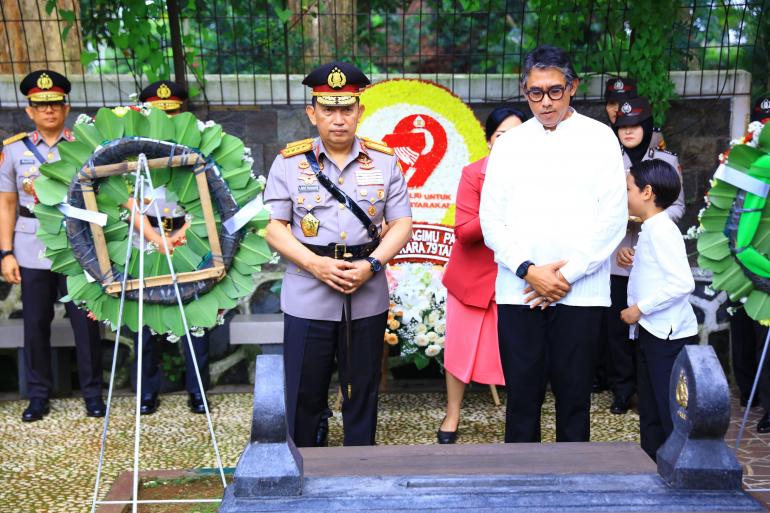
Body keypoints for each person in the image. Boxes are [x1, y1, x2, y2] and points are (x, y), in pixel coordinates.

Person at [479, 45, 627, 443]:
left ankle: (573, 492)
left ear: (573, 87)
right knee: (522, 402)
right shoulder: (510, 144)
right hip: (519, 290)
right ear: (524, 90)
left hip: (579, 292)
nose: (545, 102)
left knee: (575, 400)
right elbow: (491, 219)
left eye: (555, 91)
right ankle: (522, 495)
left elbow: (612, 219)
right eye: (535, 93)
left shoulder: (599, 139)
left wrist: (564, 276)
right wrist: (529, 271)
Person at [263, 61, 413, 447]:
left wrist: (372, 264)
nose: (339, 119)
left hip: (366, 291)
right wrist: (314, 264)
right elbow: (273, 227)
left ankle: (360, 471)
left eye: (347, 109)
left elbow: (401, 224)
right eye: (328, 109)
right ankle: (304, 466)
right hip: (307, 291)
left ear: (360, 111)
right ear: (312, 114)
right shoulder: (289, 162)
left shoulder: (385, 161)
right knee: (303, 392)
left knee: (362, 391)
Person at [0, 70, 105, 421]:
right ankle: (38, 396)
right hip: (31, 244)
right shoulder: (14, 151)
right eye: (41, 105)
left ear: (66, 107)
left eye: (55, 104)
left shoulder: (82, 145)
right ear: (29, 110)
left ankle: (93, 394)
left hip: (75, 244)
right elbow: (7, 204)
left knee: (86, 322)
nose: (49, 110)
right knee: (34, 322)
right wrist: (6, 252)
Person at [437, 106, 527, 444]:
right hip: (472, 277)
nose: (509, 142)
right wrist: (498, 213)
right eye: (502, 135)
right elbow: (464, 231)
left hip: (519, 276)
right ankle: (452, 413)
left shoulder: (538, 177)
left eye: (517, 135)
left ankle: (519, 418)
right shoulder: (474, 174)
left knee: (517, 352)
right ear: (489, 140)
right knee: (459, 350)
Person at [130, 80, 211, 415]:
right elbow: (124, 202)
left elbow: (209, 201)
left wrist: (182, 237)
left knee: (196, 319)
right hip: (145, 245)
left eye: (173, 113)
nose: (167, 119)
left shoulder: (197, 148)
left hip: (188, 244)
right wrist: (154, 237)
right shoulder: (131, 150)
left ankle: (198, 391)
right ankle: (147, 392)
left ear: (182, 114)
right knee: (146, 321)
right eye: (159, 114)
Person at [606, 96, 685, 415]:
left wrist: (648, 221)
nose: (627, 131)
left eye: (634, 124)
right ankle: (622, 390)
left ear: (647, 125)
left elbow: (677, 206)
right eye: (622, 126)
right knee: (616, 329)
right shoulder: (609, 159)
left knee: (648, 326)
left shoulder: (665, 160)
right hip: (617, 254)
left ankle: (647, 392)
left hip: (652, 257)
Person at [619, 158, 698, 460]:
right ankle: (653, 466)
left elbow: (681, 283)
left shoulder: (663, 229)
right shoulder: (651, 228)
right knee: (651, 406)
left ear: (647, 192)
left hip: (667, 336)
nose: (625, 195)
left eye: (628, 189)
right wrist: (635, 256)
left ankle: (678, 469)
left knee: (669, 411)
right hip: (652, 332)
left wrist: (639, 309)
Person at [604, 76, 666, 151]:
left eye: (624, 104)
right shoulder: (598, 136)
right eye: (612, 103)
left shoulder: (653, 137)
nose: (617, 109)